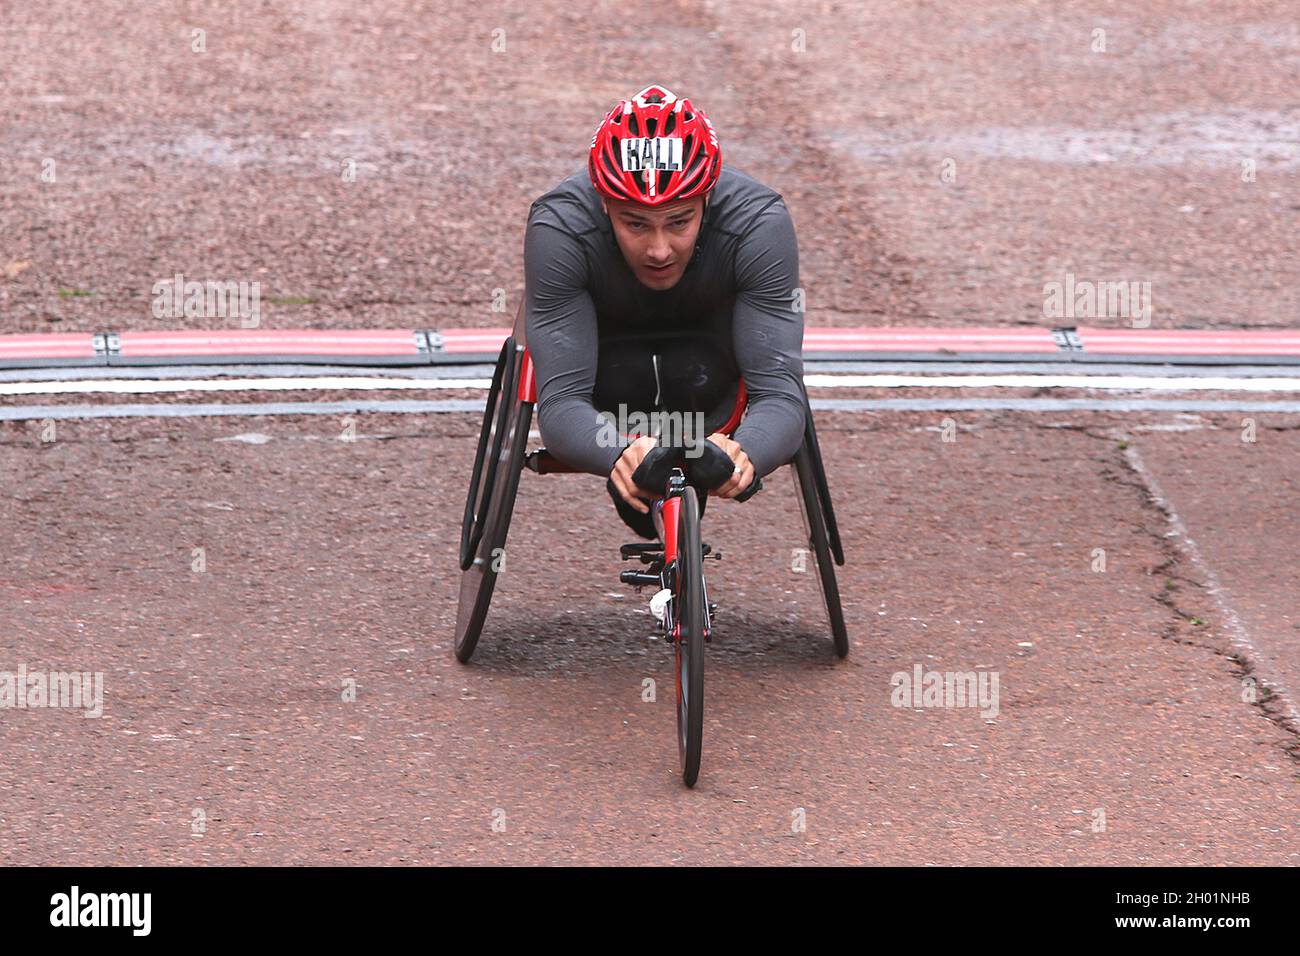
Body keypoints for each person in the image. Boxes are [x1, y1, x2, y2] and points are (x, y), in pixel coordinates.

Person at [524, 84, 806, 538]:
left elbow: (781, 394)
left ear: (707, 201)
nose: (658, 250)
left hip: (709, 370)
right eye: (635, 223)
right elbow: (560, 402)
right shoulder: (560, 228)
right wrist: (618, 454)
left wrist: (742, 453)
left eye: (679, 221)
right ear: (604, 205)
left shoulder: (759, 224)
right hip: (608, 378)